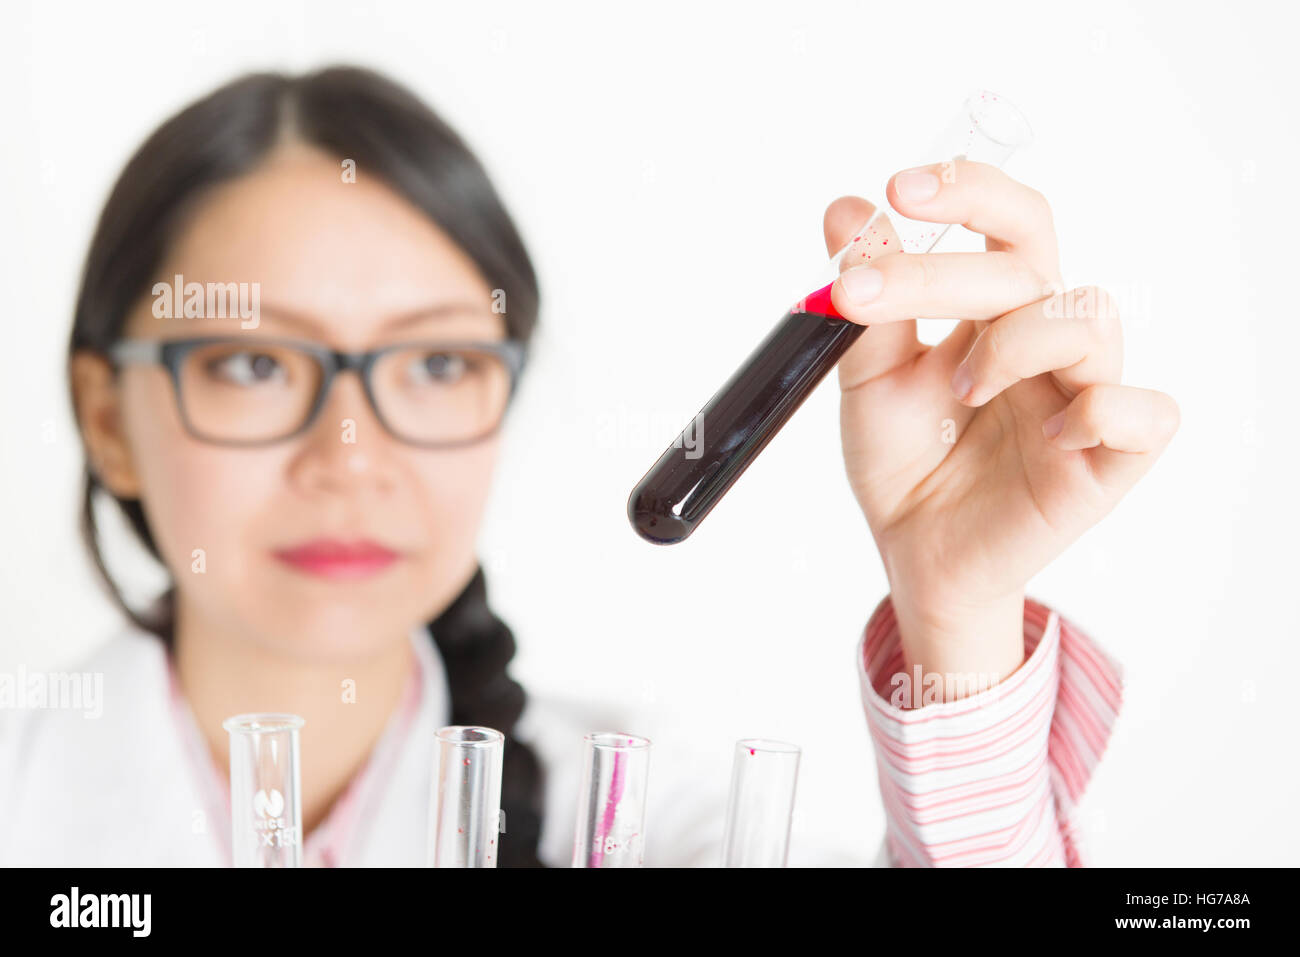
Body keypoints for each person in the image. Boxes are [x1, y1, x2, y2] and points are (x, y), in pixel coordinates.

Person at [0, 66, 1178, 867]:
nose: (347, 460)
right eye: (254, 366)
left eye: (435, 364)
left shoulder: (642, 820)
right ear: (107, 417)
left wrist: (955, 616)